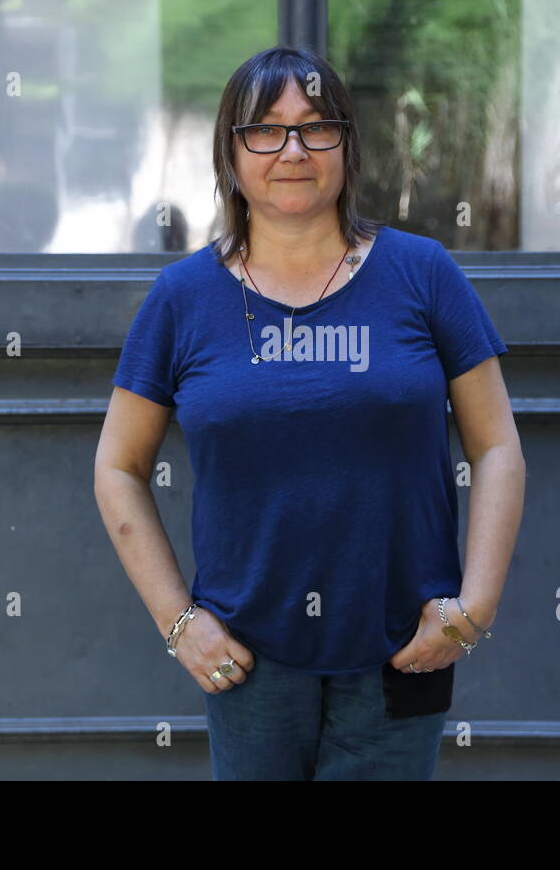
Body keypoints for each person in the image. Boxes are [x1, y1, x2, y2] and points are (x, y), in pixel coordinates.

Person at [94, 46, 524, 780]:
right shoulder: (183, 298)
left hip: (404, 650)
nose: (292, 149)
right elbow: (117, 467)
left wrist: (472, 608)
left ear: (346, 146)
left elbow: (497, 449)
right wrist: (179, 624)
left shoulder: (422, 274)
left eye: (315, 127)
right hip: (248, 659)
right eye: (264, 129)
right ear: (231, 155)